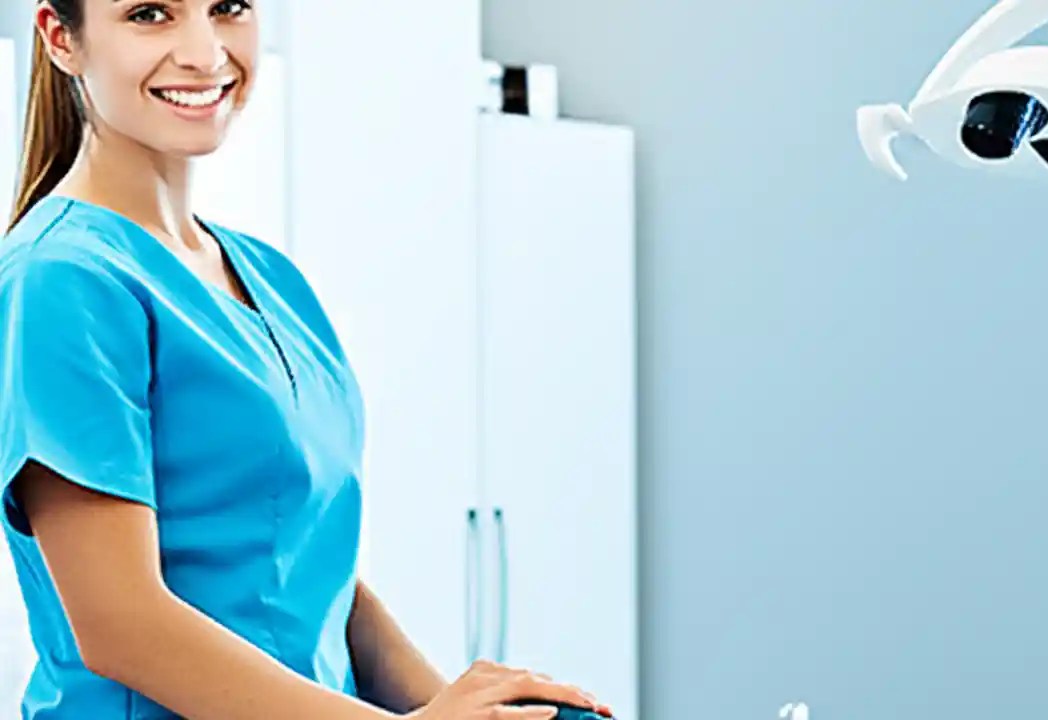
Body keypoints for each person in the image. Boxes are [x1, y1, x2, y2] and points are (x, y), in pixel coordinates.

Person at [0, 2, 614, 719]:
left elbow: (318, 569)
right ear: (60, 38)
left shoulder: (269, 276)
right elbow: (121, 626)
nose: (204, 53)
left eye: (227, 8)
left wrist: (454, 706)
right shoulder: (63, 280)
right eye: (150, 14)